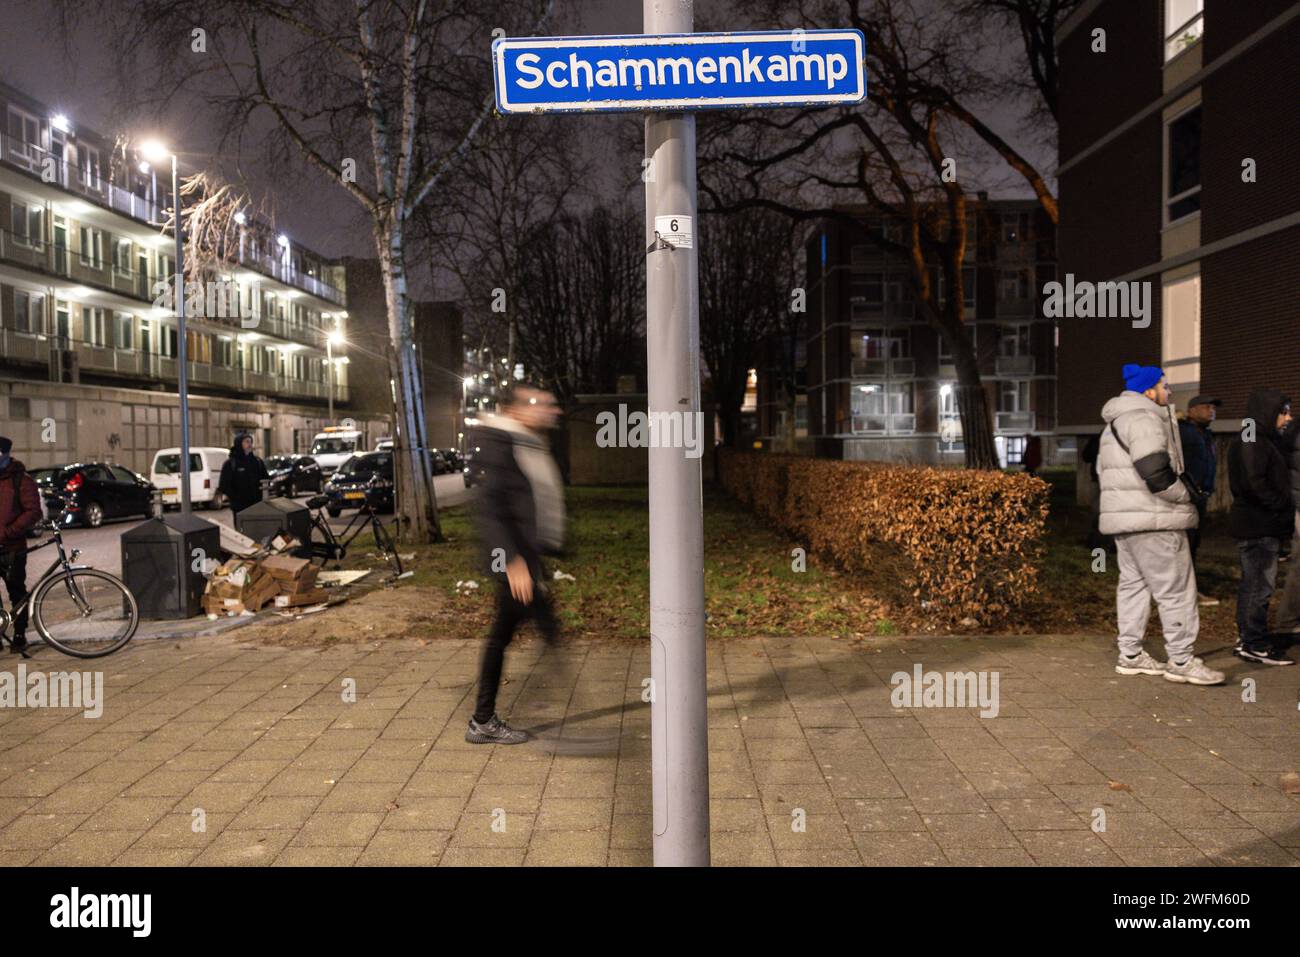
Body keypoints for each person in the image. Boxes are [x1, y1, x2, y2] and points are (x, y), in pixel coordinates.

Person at [1098, 363, 1223, 685]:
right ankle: (1181, 660)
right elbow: (1155, 472)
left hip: (1127, 520)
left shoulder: (1116, 422)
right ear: (1149, 390)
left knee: (1134, 587)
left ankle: (1130, 654)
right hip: (1155, 519)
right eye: (1165, 386)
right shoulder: (1143, 419)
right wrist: (1185, 497)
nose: (1169, 392)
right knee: (1176, 591)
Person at [467, 384, 566, 744]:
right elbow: (489, 509)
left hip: (527, 557)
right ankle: (482, 721)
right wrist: (511, 561)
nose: (548, 410)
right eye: (538, 403)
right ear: (512, 409)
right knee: (509, 636)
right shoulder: (498, 443)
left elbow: (534, 497)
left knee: (529, 632)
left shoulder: (525, 441)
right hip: (513, 562)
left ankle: (483, 719)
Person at [1227, 389, 1295, 666]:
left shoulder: (1257, 437)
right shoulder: (1253, 439)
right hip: (1259, 524)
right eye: (1284, 411)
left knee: (1253, 585)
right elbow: (1254, 482)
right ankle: (1254, 643)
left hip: (1259, 523)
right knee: (1259, 587)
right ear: (1268, 411)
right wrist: (1280, 504)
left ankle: (1248, 640)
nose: (1288, 417)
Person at [0, 437, 43, 655]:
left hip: (12, 547)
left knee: (16, 591)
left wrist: (7, 532)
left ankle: (19, 634)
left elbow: (34, 512)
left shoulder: (21, 480)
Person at [1178, 395, 1221, 605]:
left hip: (1201, 496)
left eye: (1213, 408)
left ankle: (1189, 588)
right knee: (1185, 544)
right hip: (1186, 497)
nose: (1211, 411)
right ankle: (1184, 592)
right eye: (1206, 407)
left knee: (1193, 544)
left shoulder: (1206, 434)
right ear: (1192, 410)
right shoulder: (1183, 432)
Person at [217, 432, 269, 519]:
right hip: (239, 508)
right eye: (246, 442)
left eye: (250, 442)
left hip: (256, 506)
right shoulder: (231, 464)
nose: (249, 444)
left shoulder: (257, 462)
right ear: (239, 443)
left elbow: (266, 479)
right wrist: (235, 498)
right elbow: (224, 485)